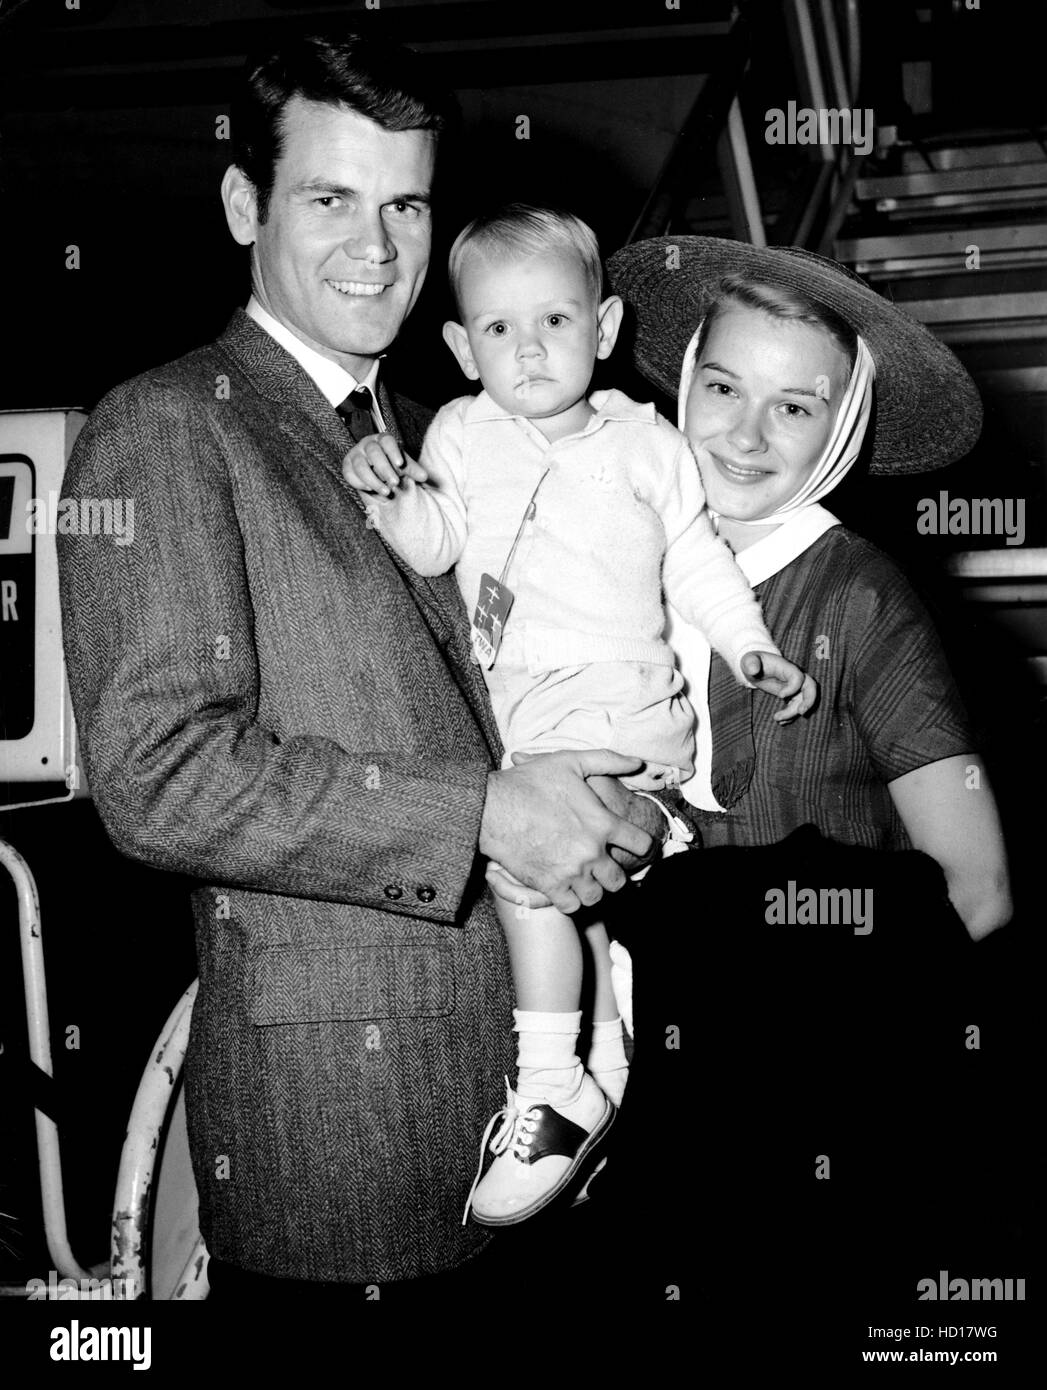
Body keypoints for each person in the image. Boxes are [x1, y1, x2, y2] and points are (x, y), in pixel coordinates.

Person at [54, 34, 674, 1300]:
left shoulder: (459, 430)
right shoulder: (165, 426)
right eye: (330, 199)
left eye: (405, 203)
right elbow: (157, 772)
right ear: (245, 206)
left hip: (537, 1096)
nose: (378, 247)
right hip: (348, 1146)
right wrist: (490, 813)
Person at [342, 204, 816, 1226]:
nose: (529, 349)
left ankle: (551, 1085)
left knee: (527, 881)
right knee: (582, 904)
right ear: (464, 348)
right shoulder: (461, 433)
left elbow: (699, 563)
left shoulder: (647, 444)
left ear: (602, 330)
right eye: (499, 331)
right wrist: (383, 489)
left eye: (553, 321)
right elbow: (433, 545)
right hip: (525, 727)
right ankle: (608, 1054)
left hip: (625, 719)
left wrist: (752, 647)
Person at [606, 235, 1011, 941]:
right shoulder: (610, 544)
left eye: (793, 408)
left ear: (842, 426)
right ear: (686, 376)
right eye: (724, 388)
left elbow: (979, 889)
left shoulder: (859, 595)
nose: (745, 436)